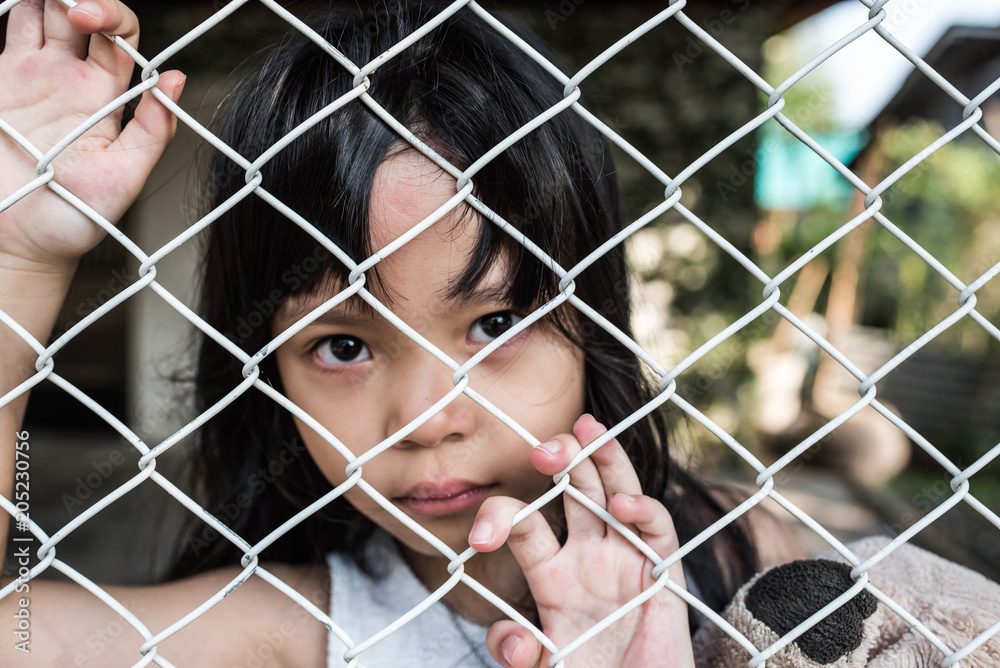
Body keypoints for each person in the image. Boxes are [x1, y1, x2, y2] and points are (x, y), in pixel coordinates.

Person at [0, 1, 802, 666]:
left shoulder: (740, 552)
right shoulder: (291, 629)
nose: (426, 417)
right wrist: (18, 255)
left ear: (593, 320)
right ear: (267, 369)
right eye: (342, 345)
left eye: (495, 323)